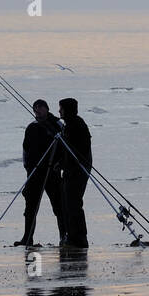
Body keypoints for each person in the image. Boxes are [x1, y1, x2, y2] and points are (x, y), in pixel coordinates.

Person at [16, 99, 65, 247]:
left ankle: (64, 236)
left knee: (59, 206)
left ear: (47, 108)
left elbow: (64, 148)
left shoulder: (58, 125)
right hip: (34, 172)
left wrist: (59, 165)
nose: (38, 110)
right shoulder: (31, 127)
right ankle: (27, 237)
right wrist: (27, 166)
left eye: (41, 107)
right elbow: (25, 149)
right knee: (30, 206)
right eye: (35, 108)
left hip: (52, 172)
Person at [57, 98, 93, 248]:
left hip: (78, 171)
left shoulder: (76, 125)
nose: (59, 111)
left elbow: (78, 152)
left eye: (61, 109)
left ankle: (79, 238)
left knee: (73, 204)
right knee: (68, 204)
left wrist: (65, 165)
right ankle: (72, 236)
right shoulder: (70, 124)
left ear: (68, 109)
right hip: (72, 170)